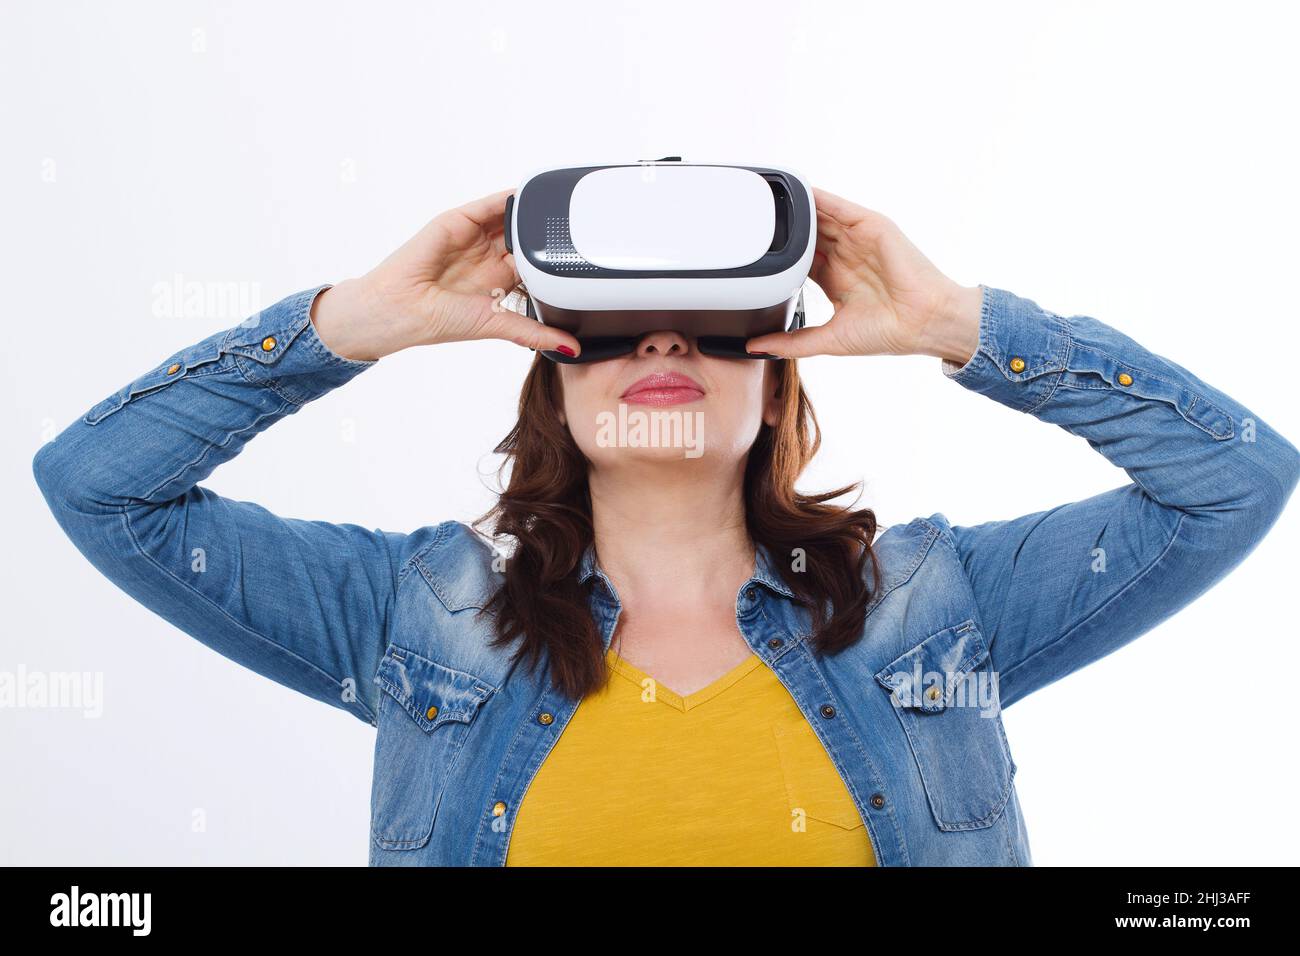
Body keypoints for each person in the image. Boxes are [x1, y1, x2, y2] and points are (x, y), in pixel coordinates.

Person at [33, 186, 1299, 866]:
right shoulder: (417, 613)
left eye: (713, 325)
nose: (660, 342)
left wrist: (964, 325)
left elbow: (1232, 478)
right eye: (610, 326)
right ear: (553, 379)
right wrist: (347, 324)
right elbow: (98, 482)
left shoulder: (937, 602)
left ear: (776, 377)